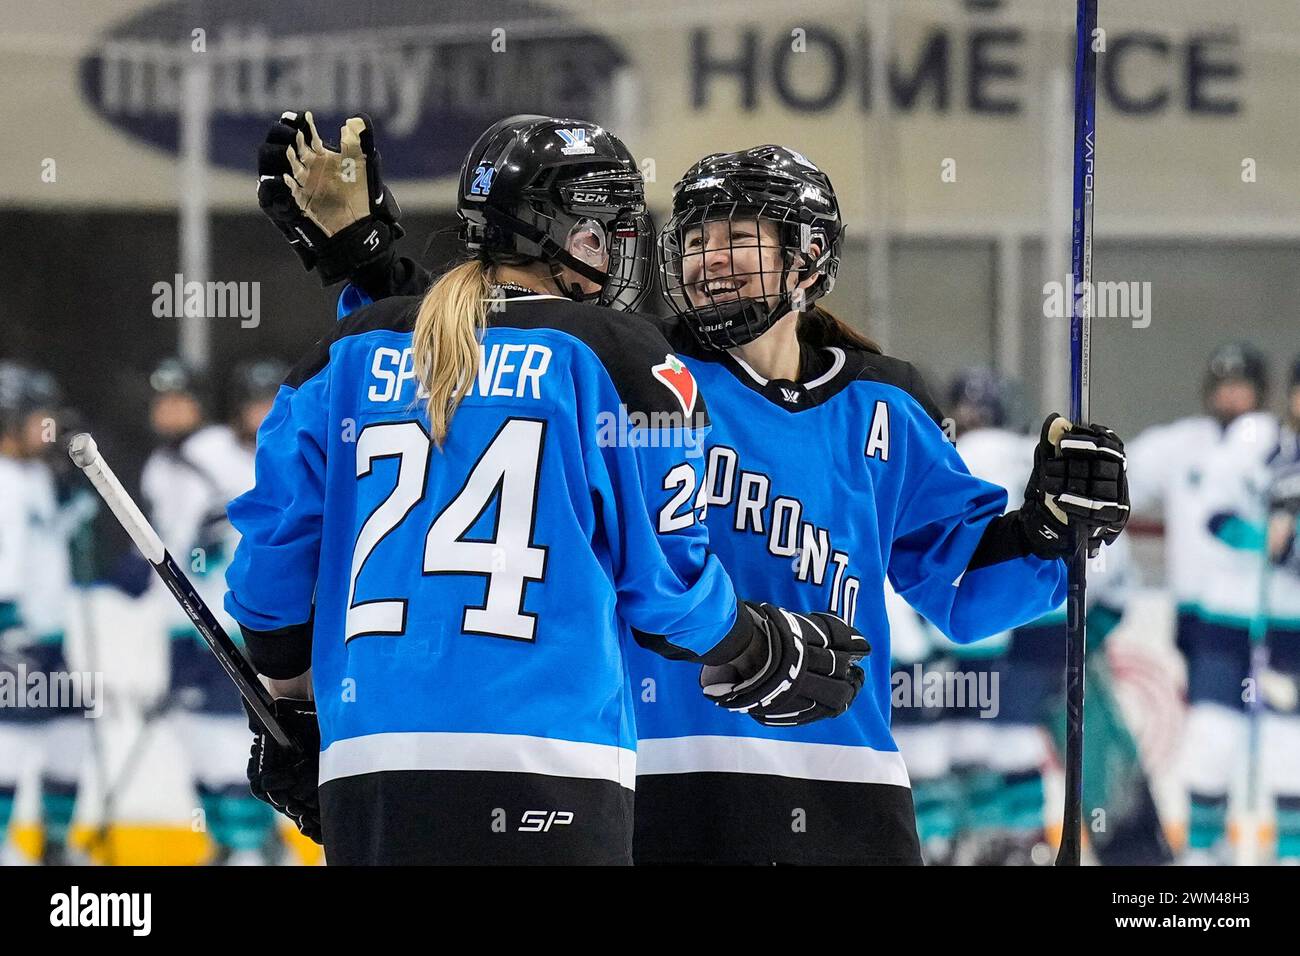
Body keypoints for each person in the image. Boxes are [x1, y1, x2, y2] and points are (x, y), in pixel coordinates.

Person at [284, 125, 1133, 864]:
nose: (709, 259)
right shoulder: (640, 367)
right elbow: (478, 349)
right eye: (694, 240)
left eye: (738, 237)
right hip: (661, 783)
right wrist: (365, 259)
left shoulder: (886, 402)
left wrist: (1053, 533)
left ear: (808, 259)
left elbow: (961, 588)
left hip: (847, 787)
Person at [229, 114, 867, 865]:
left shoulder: (344, 354)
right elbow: (666, 593)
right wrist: (755, 644)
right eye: (602, 231)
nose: (615, 251)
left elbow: (271, 586)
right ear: (558, 234)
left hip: (373, 769)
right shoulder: (626, 359)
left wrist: (293, 712)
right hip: (549, 771)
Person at [1126, 342, 1290, 863]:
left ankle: (1287, 843)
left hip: (1277, 619)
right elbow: (1126, 475)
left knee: (1285, 739)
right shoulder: (1186, 444)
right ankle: (1203, 847)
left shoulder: (1270, 442)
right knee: (1213, 734)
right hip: (1206, 619)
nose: (1231, 395)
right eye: (1223, 385)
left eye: (1241, 385)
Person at [141, 357, 288, 864]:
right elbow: (171, 539)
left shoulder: (278, 453)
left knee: (238, 735)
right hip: (183, 621)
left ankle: (255, 842)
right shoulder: (184, 459)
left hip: (235, 621)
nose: (264, 413)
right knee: (193, 735)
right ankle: (227, 841)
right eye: (255, 402)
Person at [0, 362, 88, 864]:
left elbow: (50, 537)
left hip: (50, 637)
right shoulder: (5, 480)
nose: (46, 426)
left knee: (70, 736)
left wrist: (76, 495)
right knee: (9, 744)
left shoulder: (32, 474)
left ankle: (56, 844)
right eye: (37, 417)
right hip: (14, 634)